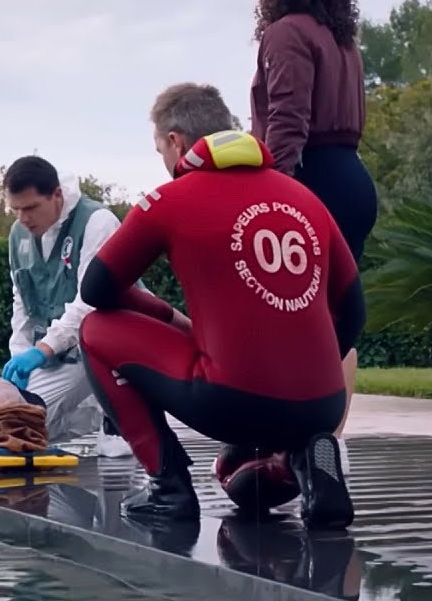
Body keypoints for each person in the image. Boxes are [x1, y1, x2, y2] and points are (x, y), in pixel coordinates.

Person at [75, 83, 365, 531]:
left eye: (159, 150)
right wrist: (312, 371)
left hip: (234, 399)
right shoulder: (304, 198)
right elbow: (354, 309)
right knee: (239, 475)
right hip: (322, 406)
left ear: (175, 141)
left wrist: (168, 316)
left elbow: (98, 289)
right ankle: (304, 454)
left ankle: (168, 488)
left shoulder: (169, 199)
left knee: (95, 330)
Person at [249, 0, 378, 461]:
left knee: (294, 318)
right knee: (337, 322)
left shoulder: (285, 33)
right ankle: (330, 445)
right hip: (351, 176)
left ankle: (298, 443)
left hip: (310, 179)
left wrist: (268, 189)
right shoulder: (344, 40)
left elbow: (287, 120)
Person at [0, 155, 135, 457]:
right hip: (62, 354)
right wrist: (20, 358)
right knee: (14, 426)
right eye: (16, 209)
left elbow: (91, 302)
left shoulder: (97, 222)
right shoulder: (19, 234)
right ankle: (96, 415)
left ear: (57, 195)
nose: (23, 218)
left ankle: (119, 414)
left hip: (107, 346)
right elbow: (21, 302)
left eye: (31, 208)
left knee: (24, 427)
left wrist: (43, 350)